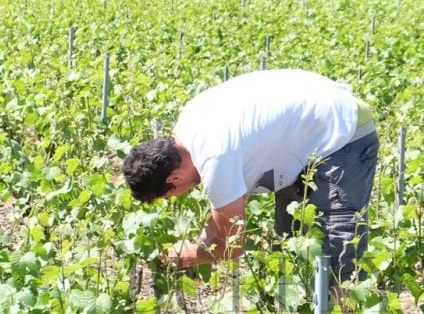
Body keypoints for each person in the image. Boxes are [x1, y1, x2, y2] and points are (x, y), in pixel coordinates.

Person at [122, 69, 378, 286]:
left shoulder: (213, 159)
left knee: (337, 253)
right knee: (290, 245)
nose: (178, 196)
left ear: (173, 179)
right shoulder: (188, 128)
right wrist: (204, 240)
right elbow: (226, 209)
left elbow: (234, 246)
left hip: (343, 131)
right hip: (304, 132)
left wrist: (194, 255)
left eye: (170, 194)